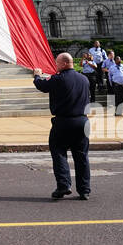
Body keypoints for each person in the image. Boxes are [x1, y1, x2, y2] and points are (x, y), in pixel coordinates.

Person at [32, 53, 91, 200]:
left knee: (58, 152)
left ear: (64, 64)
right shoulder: (84, 79)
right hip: (82, 121)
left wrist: (37, 76)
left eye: (57, 63)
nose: (55, 65)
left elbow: (42, 86)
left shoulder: (59, 78)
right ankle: (84, 190)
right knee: (81, 156)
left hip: (64, 121)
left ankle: (64, 185)